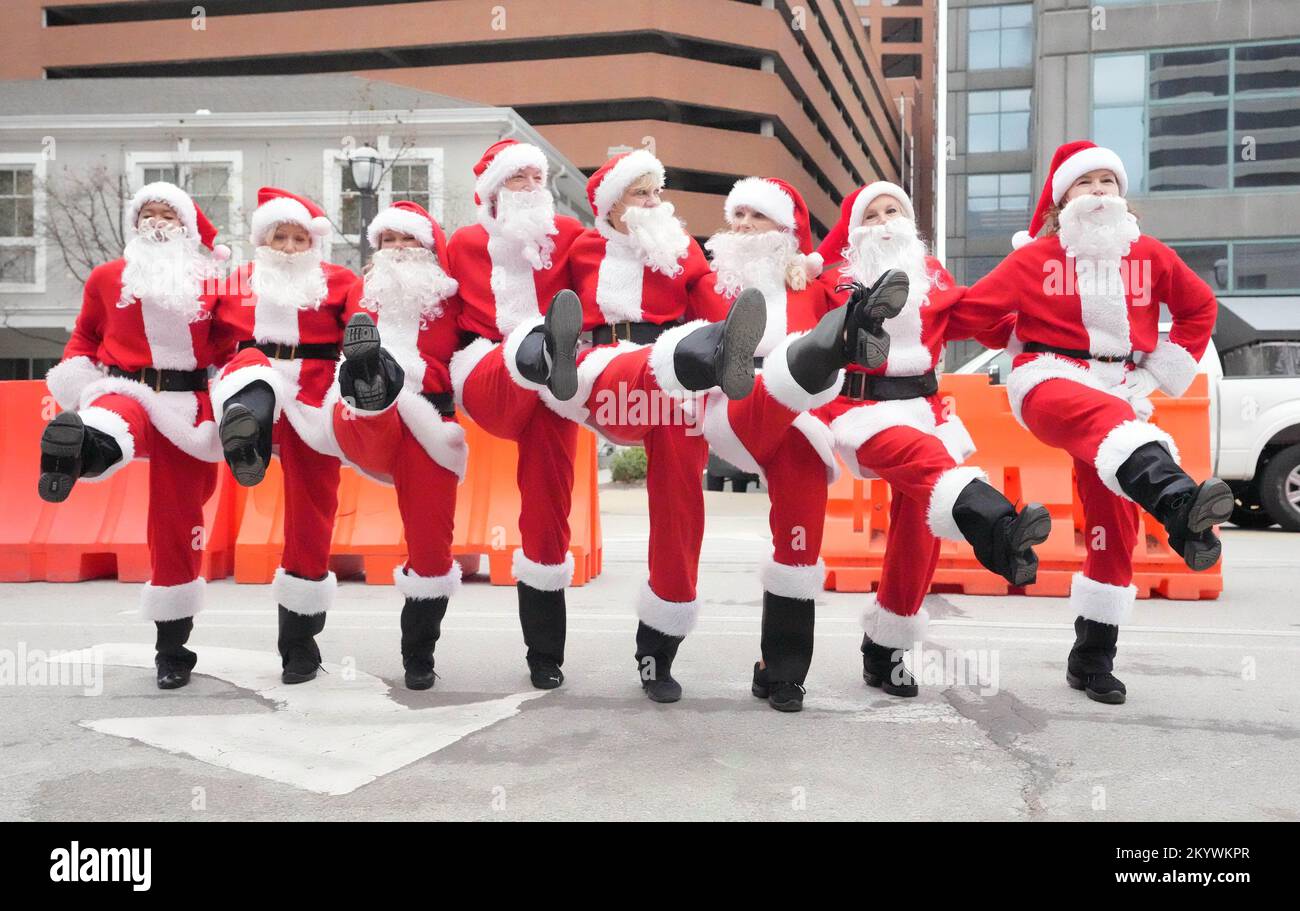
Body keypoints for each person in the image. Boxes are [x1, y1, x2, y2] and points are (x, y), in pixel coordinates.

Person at [962, 141, 1229, 704]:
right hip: (1050, 376)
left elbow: (1199, 306)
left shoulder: (1149, 255)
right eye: (1086, 183)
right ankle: (1180, 506)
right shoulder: (1035, 258)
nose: (1100, 191)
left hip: (1124, 386)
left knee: (1113, 529)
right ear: (1063, 201)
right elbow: (972, 311)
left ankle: (1092, 660)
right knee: (1106, 418)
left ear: (1123, 197)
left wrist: (1156, 375)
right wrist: (1011, 333)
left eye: (1109, 181)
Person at [814, 182, 1050, 697]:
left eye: (892, 209)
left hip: (923, 405)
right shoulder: (832, 281)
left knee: (920, 525)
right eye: (870, 214)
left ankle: (886, 649)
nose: (882, 221)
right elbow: (804, 334)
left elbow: (979, 314)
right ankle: (997, 525)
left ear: (909, 219)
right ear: (854, 231)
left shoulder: (931, 276)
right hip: (861, 410)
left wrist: (1037, 293)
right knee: (927, 462)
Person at [697, 176, 902, 711]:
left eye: (756, 217)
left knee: (799, 542)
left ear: (785, 230)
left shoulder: (813, 287)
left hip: (798, 424)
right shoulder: (707, 282)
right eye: (736, 216)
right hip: (731, 409)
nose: (741, 227)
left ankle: (782, 670)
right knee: (793, 370)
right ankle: (783, 366)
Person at [38, 182, 231, 689]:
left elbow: (234, 343)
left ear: (187, 226)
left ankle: (173, 649)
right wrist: (75, 376)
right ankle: (82, 451)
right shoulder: (107, 277)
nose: (157, 220)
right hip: (127, 386)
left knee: (177, 523)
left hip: (190, 405)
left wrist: (244, 391)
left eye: (168, 213)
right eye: (148, 213)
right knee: (111, 416)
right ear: (134, 224)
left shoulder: (215, 281)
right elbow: (84, 335)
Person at [445, 139, 587, 690]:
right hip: (487, 369)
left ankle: (545, 655)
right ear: (492, 191)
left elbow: (611, 276)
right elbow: (442, 320)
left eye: (536, 177)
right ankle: (540, 345)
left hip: (555, 387)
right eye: (518, 178)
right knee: (522, 353)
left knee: (549, 511)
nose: (532, 186)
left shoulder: (571, 239)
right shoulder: (462, 244)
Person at [209, 187, 359, 685]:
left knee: (313, 512)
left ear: (313, 243)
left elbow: (363, 331)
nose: (291, 247)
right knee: (251, 370)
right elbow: (200, 335)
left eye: (299, 238)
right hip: (253, 378)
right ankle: (245, 436)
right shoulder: (234, 282)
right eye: (281, 237)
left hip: (315, 390)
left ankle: (298, 641)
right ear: (262, 240)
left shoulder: (339, 281)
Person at [329, 201, 467, 690]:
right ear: (376, 249)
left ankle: (418, 655)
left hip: (429, 419)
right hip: (367, 419)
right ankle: (370, 377)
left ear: (430, 248)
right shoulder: (355, 293)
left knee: (432, 549)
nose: (400, 249)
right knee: (368, 398)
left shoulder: (453, 300)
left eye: (410, 240)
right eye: (389, 240)